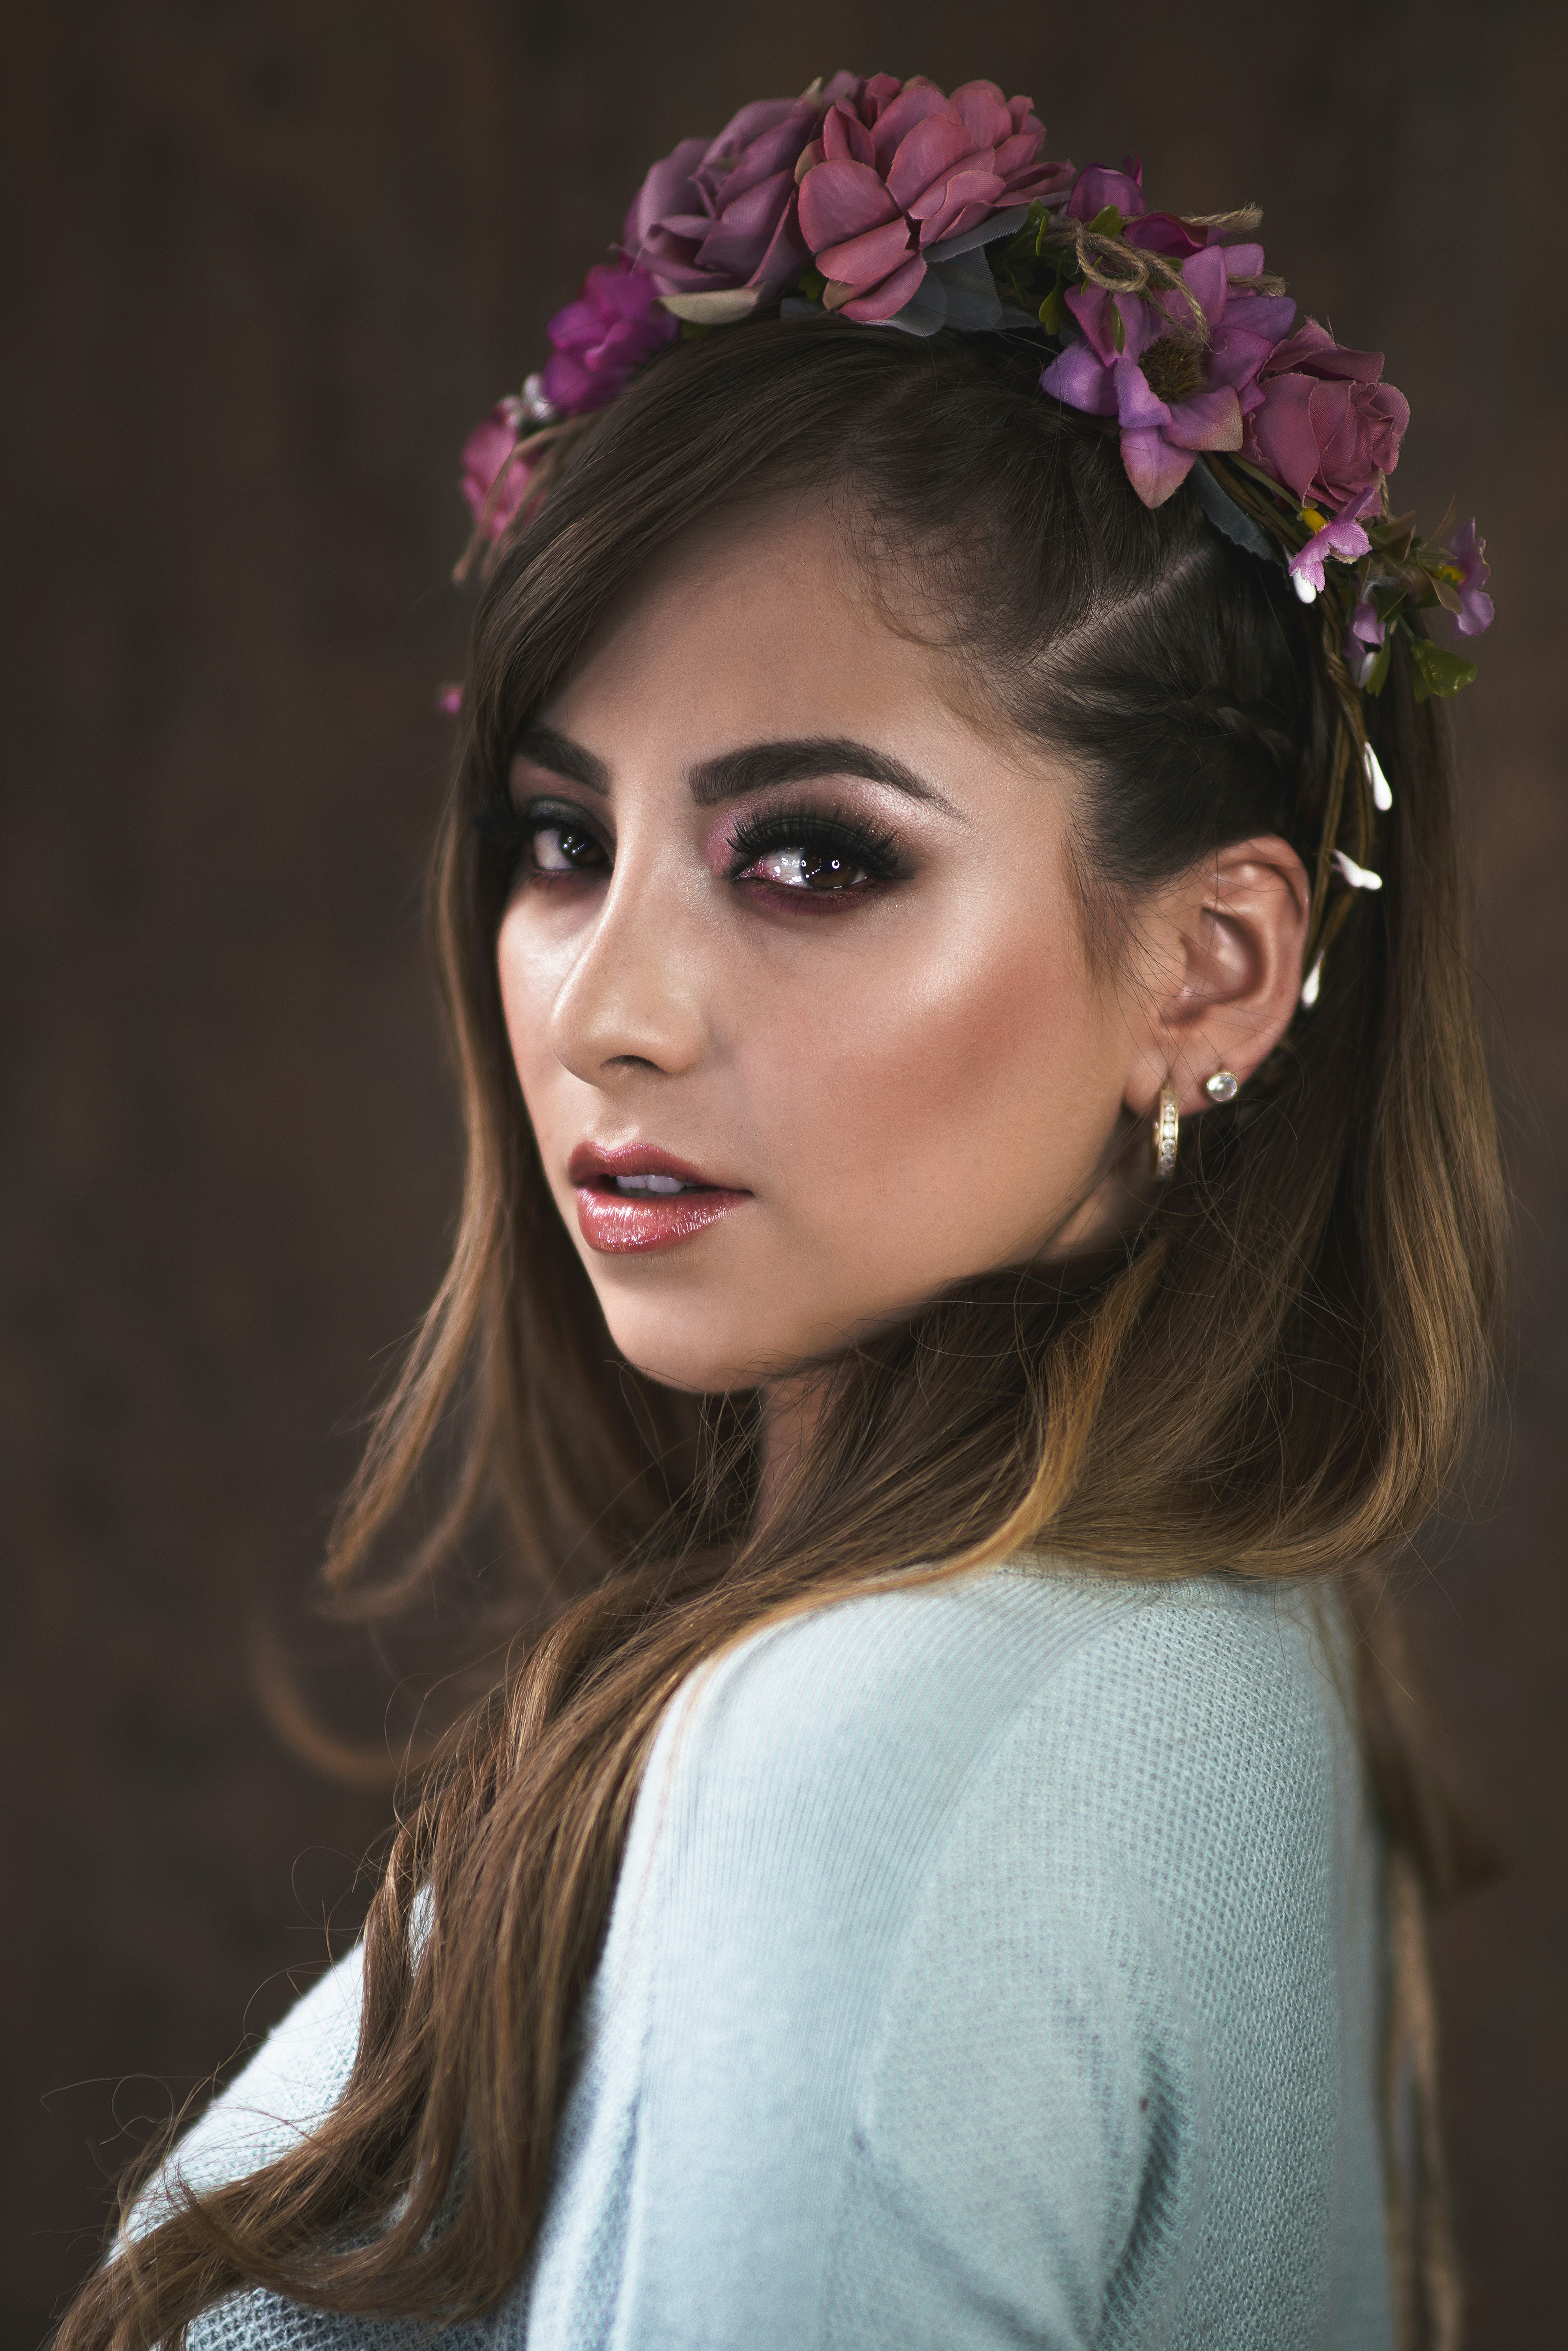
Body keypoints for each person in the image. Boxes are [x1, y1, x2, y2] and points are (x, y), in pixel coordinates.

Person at [59, 72, 1503, 2351]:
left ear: (1208, 967)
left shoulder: (869, 1761)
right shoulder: (1220, 1635)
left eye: (812, 855)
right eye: (562, 840)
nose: (606, 1009)